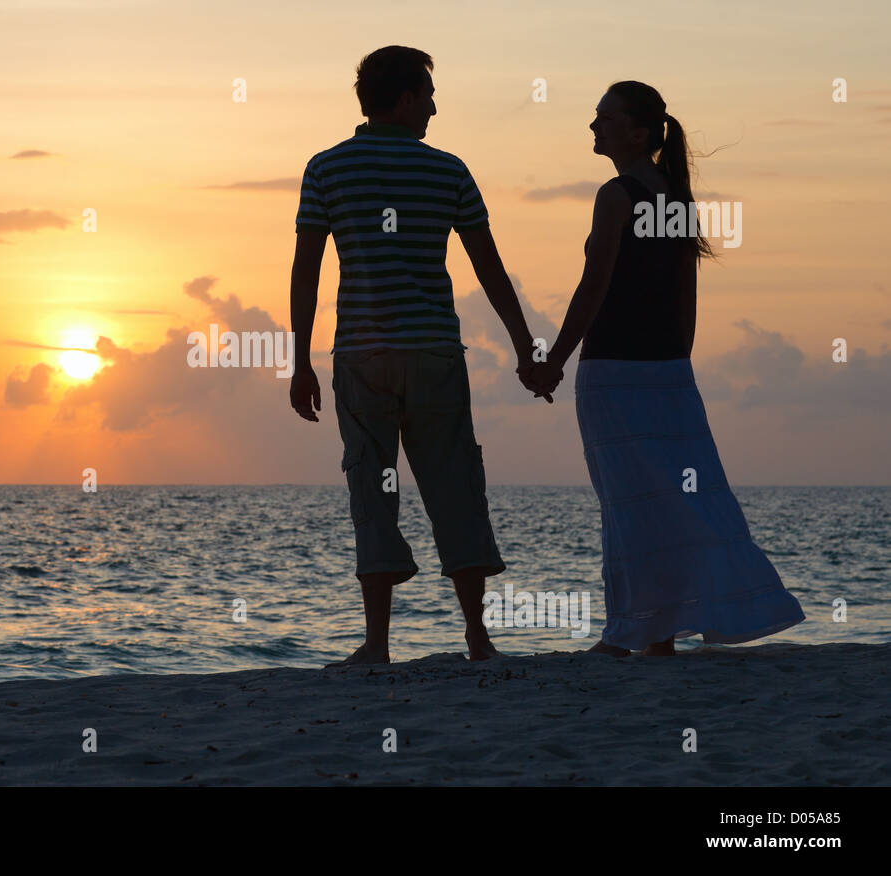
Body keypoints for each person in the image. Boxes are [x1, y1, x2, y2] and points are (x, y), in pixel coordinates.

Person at [522, 80, 805, 656]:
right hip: (668, 370)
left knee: (630, 503)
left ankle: (637, 628)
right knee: (680, 499)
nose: (593, 126)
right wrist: (680, 360)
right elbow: (686, 295)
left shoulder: (617, 194)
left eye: (604, 117)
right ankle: (658, 632)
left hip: (617, 372)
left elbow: (594, 285)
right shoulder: (676, 196)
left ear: (639, 131)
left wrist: (553, 362)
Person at [289, 46, 546, 665]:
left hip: (362, 354)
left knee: (371, 491)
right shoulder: (449, 171)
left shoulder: (326, 168)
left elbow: (307, 271)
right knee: (454, 482)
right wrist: (524, 349)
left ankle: (377, 644)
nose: (434, 107)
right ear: (404, 99)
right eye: (428, 95)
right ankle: (477, 639)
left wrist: (299, 362)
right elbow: (490, 269)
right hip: (433, 351)